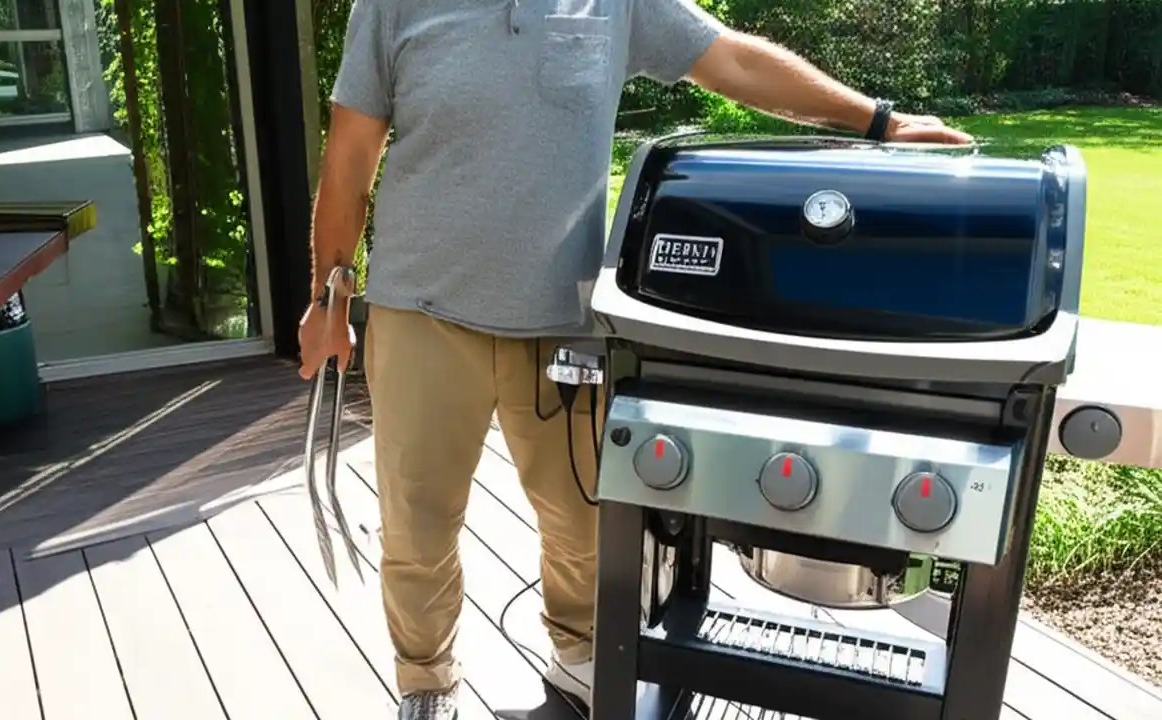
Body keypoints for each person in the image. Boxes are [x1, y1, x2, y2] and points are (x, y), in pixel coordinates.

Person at [298, 1, 973, 717]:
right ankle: (427, 682)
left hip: (564, 319)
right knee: (417, 528)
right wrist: (326, 301)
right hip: (420, 311)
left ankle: (579, 656)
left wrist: (879, 121)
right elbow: (350, 158)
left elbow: (731, 58)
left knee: (584, 522)